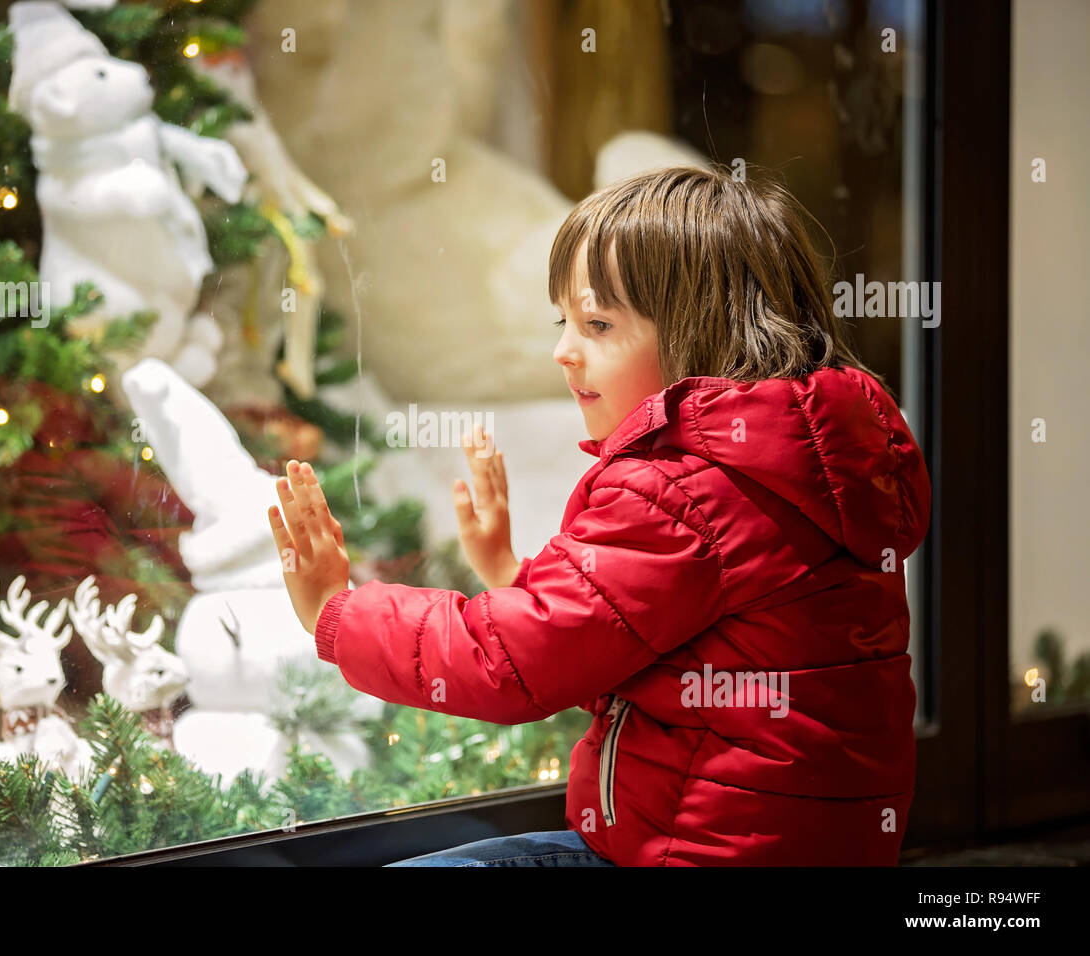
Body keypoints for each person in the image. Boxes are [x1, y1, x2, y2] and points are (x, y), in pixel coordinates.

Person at [266, 165, 931, 867]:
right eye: (565, 321)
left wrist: (336, 614)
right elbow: (642, 644)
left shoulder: (687, 491)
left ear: (698, 331)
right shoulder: (798, 462)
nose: (563, 350)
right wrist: (512, 573)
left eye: (598, 323)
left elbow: (511, 663)